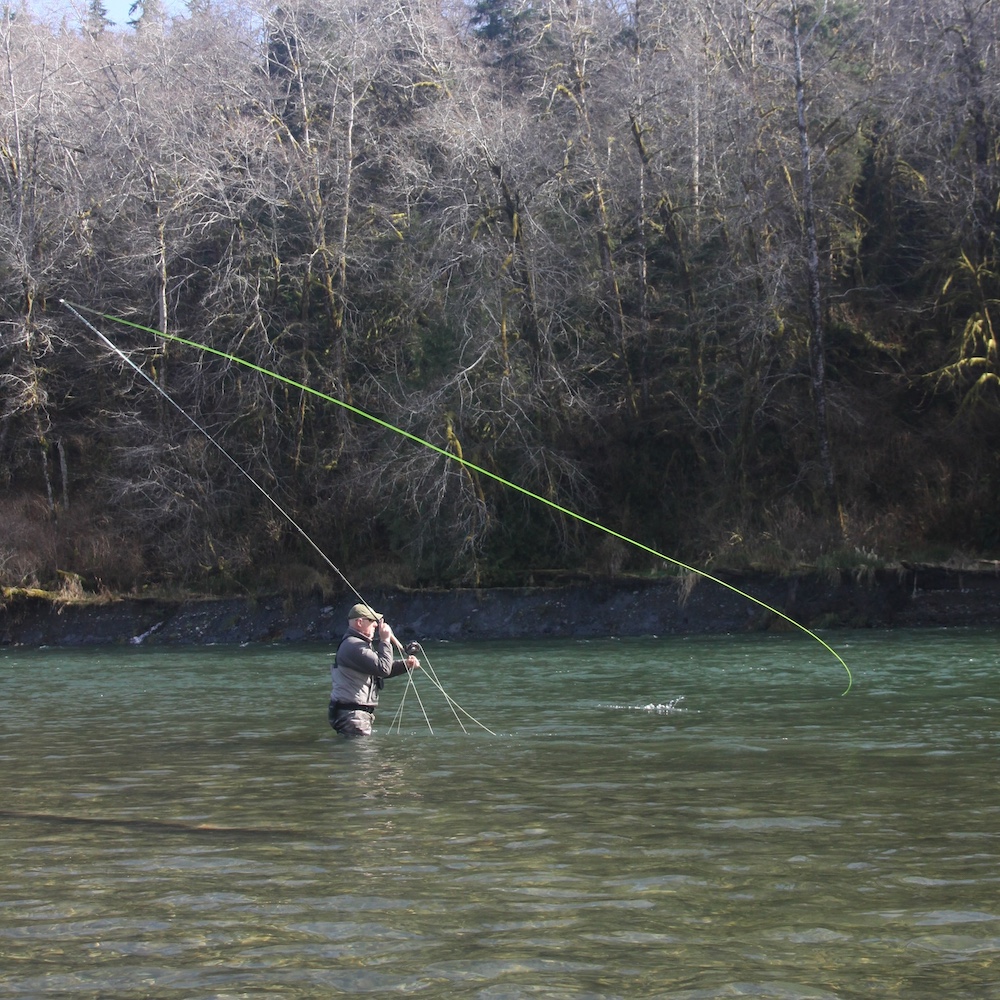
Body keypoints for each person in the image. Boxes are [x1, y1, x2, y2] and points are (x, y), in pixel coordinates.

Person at [328, 602, 420, 737]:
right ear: (359, 622)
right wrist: (385, 640)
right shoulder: (353, 646)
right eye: (372, 621)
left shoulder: (359, 644)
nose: (376, 625)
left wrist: (406, 664)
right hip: (352, 716)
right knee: (363, 757)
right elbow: (383, 669)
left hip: (354, 715)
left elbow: (379, 668)